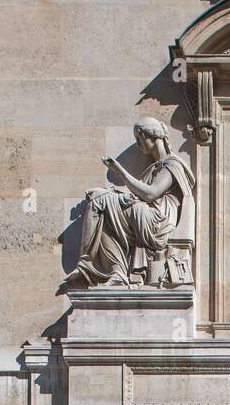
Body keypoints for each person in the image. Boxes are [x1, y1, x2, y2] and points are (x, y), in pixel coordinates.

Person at [59, 117, 194, 292]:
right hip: (146, 213)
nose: (139, 144)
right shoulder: (156, 166)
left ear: (152, 136)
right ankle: (116, 273)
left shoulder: (172, 165)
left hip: (158, 221)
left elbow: (150, 193)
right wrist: (121, 195)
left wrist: (122, 172)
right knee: (101, 205)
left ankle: (86, 263)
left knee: (101, 200)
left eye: (140, 138)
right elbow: (141, 196)